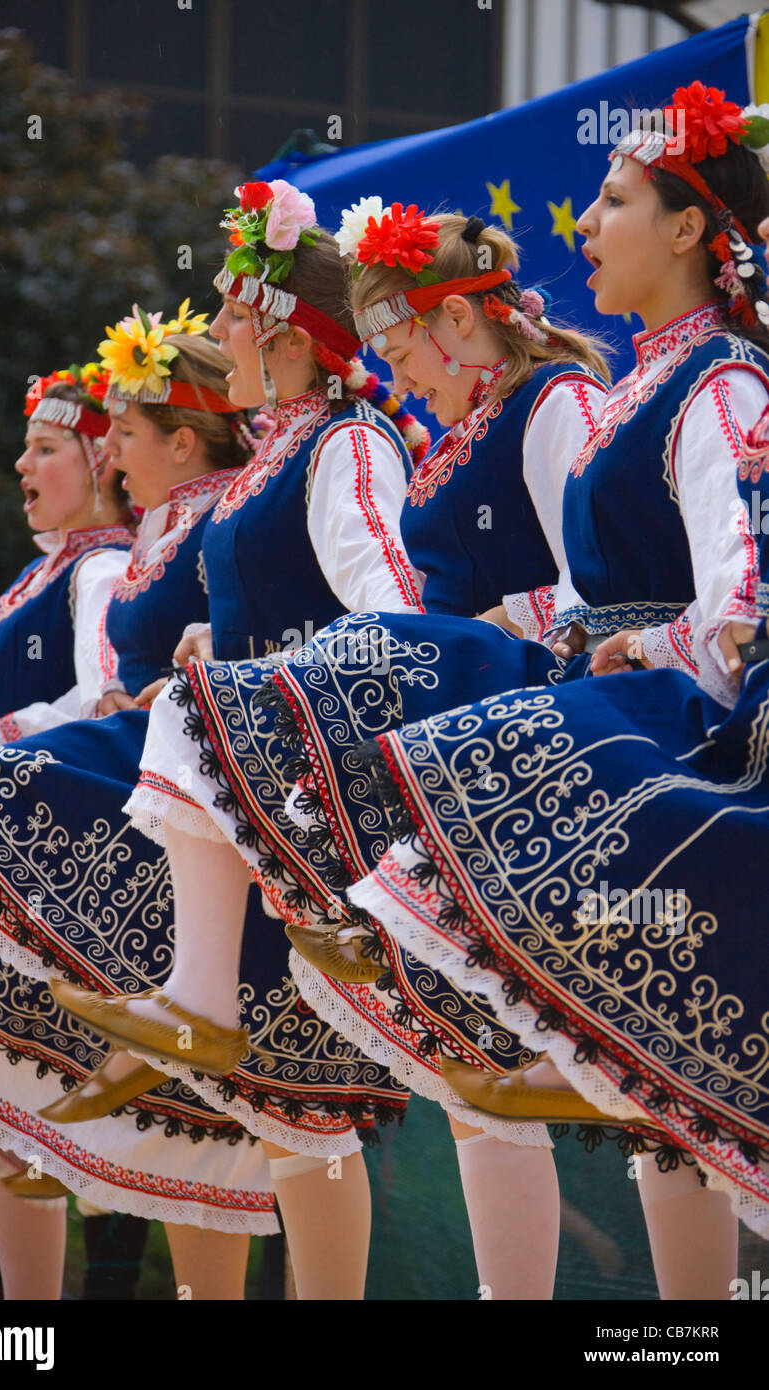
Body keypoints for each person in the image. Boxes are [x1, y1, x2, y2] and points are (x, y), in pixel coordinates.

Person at [345, 86, 769, 1290]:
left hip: (684, 721)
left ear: (688, 230)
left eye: (613, 199)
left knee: (478, 763)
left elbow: (736, 590)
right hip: (623, 698)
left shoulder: (712, 382)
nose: (584, 222)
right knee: (654, 1067)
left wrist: (642, 646)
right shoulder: (638, 386)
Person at [43, 179, 430, 1299]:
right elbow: (288, 605)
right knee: (288, 1099)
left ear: (282, 329)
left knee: (321, 1097)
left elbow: (387, 607)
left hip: (319, 781)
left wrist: (268, 676)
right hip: (262, 777)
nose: (216, 336)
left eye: (228, 313)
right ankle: (189, 997)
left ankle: (190, 996)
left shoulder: (348, 444)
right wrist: (230, 641)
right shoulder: (285, 447)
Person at [0, 347, 278, 1298]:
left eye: (48, 448)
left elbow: (98, 697)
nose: (25, 468)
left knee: (163, 1115)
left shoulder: (107, 566)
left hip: (93, 843)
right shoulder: (57, 572)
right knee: (15, 1107)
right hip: (52, 836)